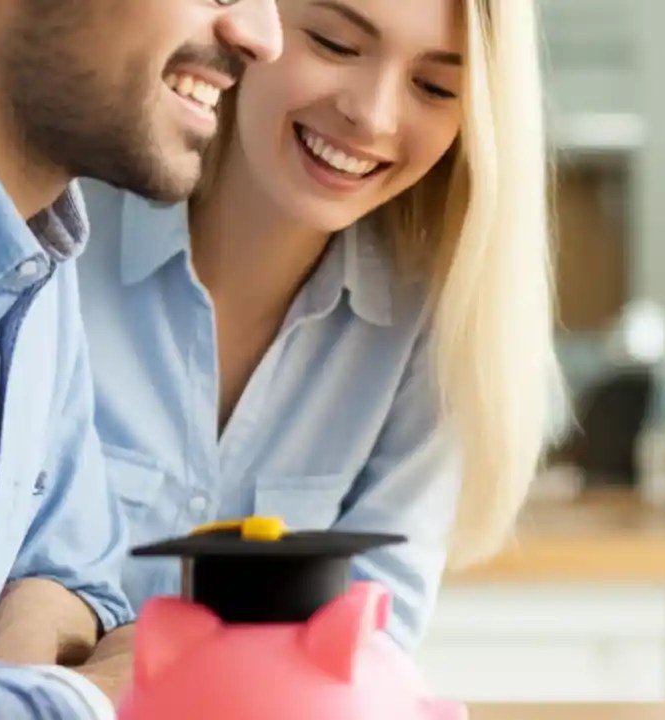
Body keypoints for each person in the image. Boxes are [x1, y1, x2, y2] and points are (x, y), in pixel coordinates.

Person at [77, 0, 561, 651]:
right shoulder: (61, 234)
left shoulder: (432, 326)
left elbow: (369, 649)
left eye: (435, 86)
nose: (374, 114)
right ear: (248, 20)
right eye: (334, 44)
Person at [0, 0, 281, 717]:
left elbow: (79, 578)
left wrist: (15, 678)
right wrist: (99, 690)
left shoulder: (35, 252)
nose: (264, 37)